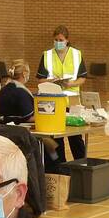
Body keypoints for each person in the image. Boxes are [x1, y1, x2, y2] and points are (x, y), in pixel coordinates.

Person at [36, 25, 88, 161]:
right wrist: (51, 81)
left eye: (61, 40)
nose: (58, 42)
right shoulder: (47, 55)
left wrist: (71, 83)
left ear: (67, 40)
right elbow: (40, 79)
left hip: (72, 100)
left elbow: (82, 78)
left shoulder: (76, 54)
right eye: (56, 40)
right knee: (57, 136)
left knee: (75, 137)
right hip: (54, 100)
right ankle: (60, 165)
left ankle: (81, 162)